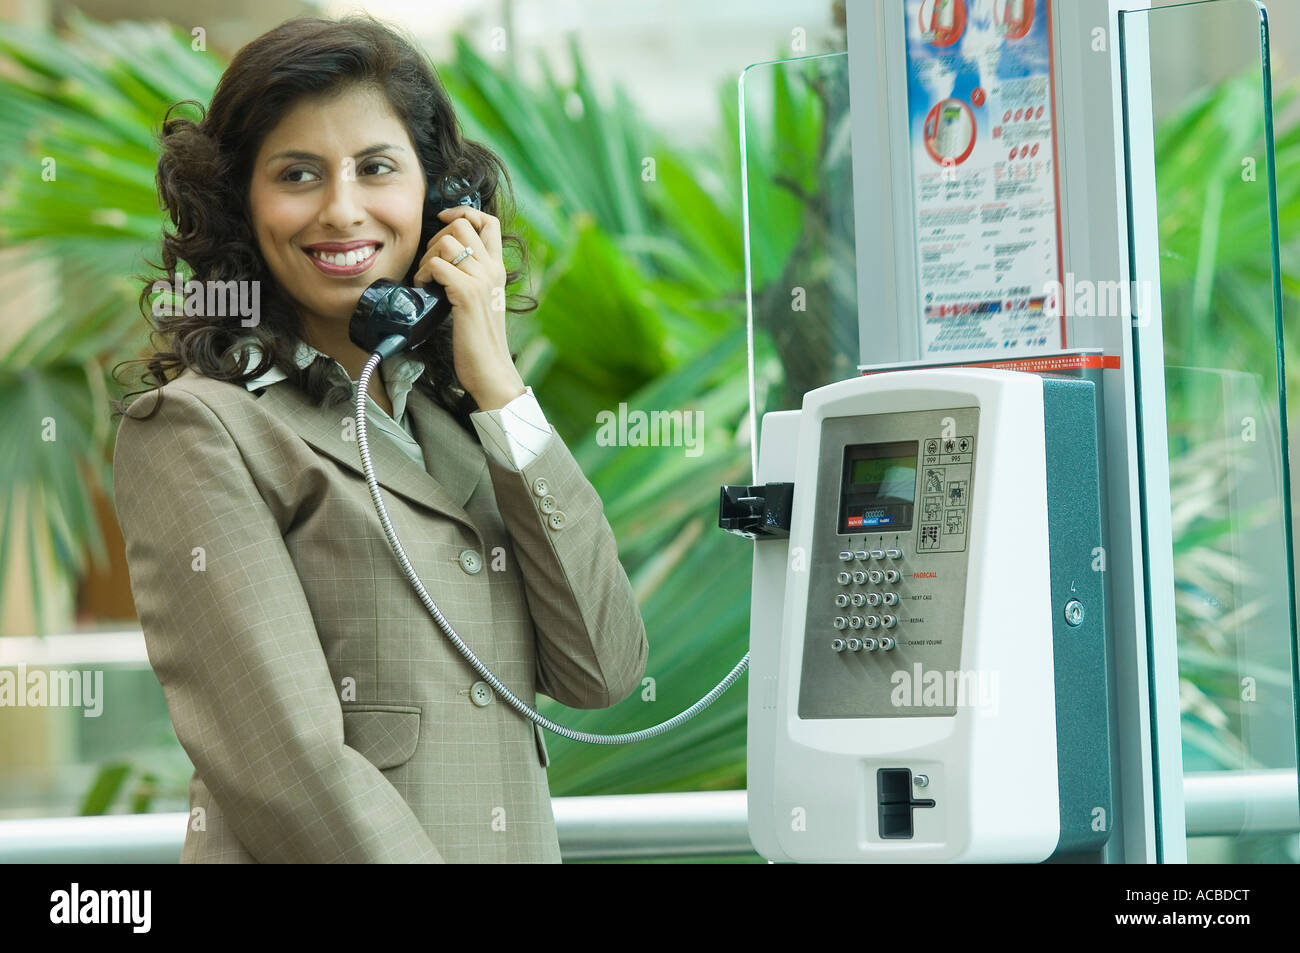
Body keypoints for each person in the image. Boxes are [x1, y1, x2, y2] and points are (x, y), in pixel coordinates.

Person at [110, 14, 648, 863]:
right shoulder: (199, 429)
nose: (342, 209)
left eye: (376, 168)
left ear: (437, 202)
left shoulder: (456, 421)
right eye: (298, 174)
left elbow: (604, 668)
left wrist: (498, 385)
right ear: (239, 205)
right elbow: (291, 767)